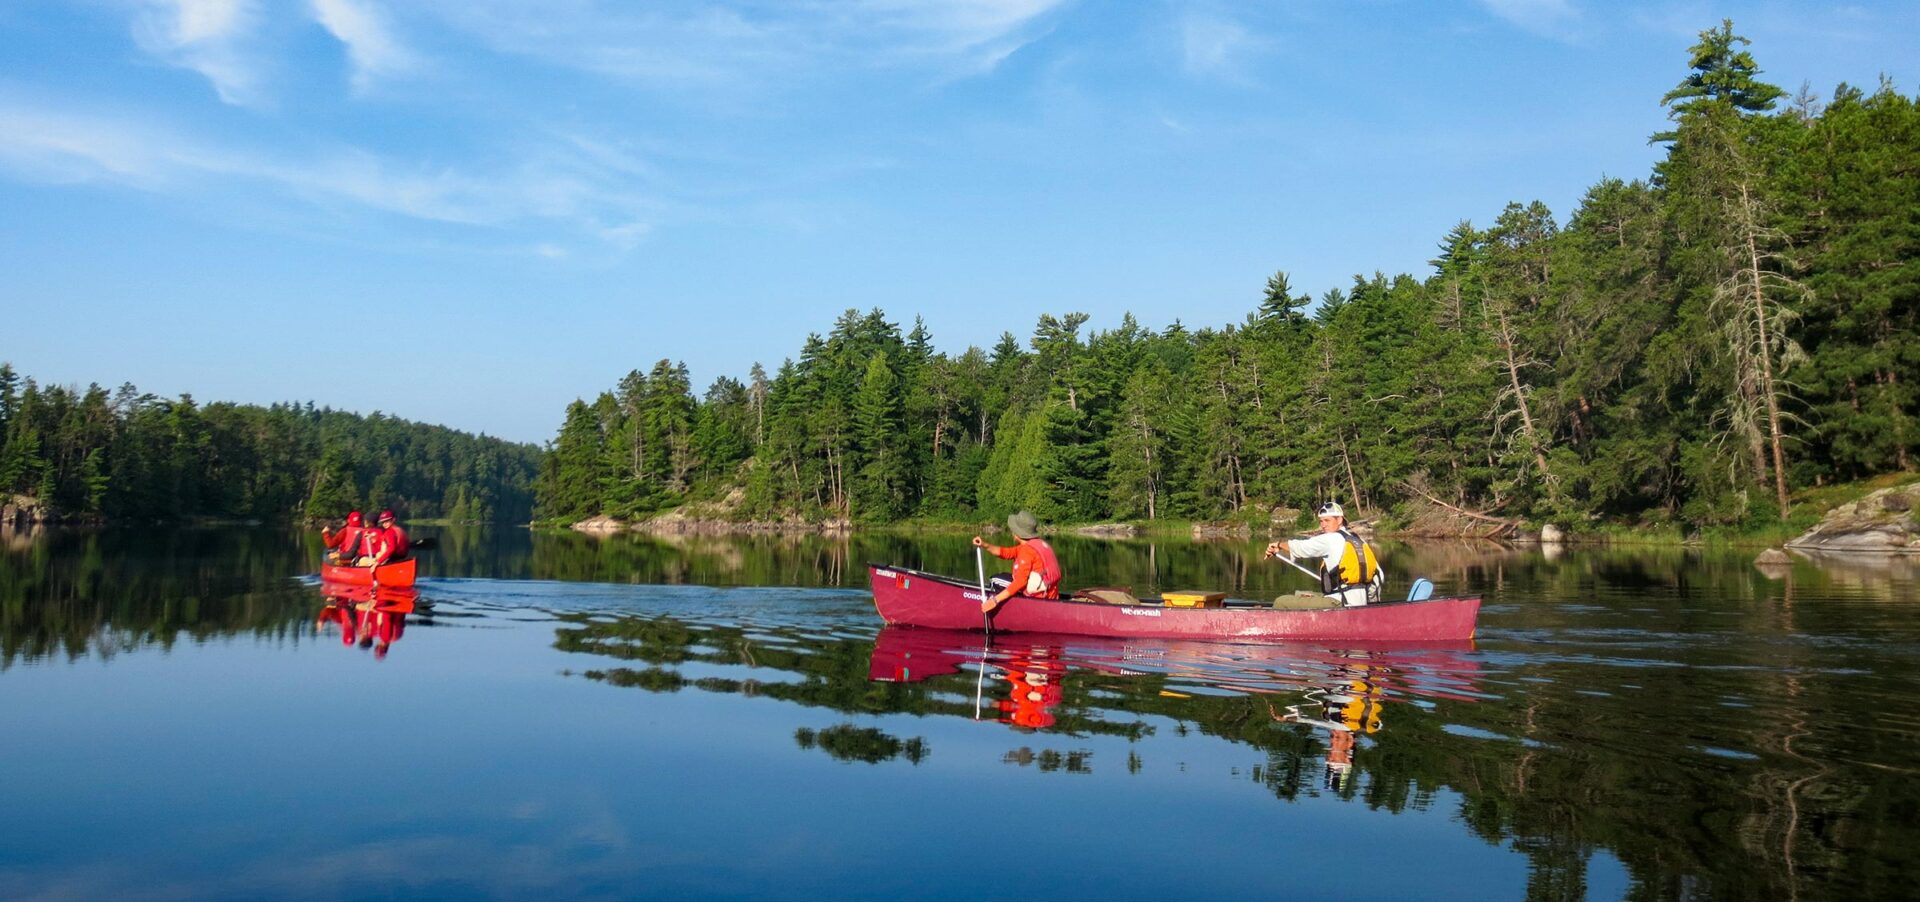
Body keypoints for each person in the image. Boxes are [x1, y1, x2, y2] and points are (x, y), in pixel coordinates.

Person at [1265, 501, 1383, 607]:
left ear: (1339, 520)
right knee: (1299, 594)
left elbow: (1302, 547)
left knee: (1281, 601)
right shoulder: (1359, 540)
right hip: (1359, 602)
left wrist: (1279, 545)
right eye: (1321, 521)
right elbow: (1378, 576)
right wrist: (1369, 604)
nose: (1323, 525)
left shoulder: (1331, 538)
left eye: (1327, 520)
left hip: (1339, 602)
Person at [972, 510, 1062, 614]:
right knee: (1004, 578)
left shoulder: (1027, 551)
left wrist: (995, 600)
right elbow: (1006, 553)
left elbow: (1020, 582)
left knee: (995, 580)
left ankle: (1007, 610)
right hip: (1050, 595)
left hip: (1038, 597)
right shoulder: (1037, 544)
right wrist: (984, 545)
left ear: (1017, 533)